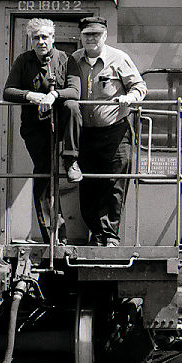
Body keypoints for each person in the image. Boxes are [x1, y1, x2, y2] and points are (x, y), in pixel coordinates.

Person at [3, 18, 82, 243]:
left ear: (53, 38)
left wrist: (54, 95)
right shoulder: (23, 61)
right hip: (35, 129)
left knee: (72, 106)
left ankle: (71, 159)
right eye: (36, 37)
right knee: (44, 174)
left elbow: (75, 91)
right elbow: (8, 91)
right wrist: (31, 95)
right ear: (30, 40)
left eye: (45, 37)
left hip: (64, 130)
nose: (41, 41)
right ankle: (52, 235)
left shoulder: (67, 60)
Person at [72, 16, 147, 247]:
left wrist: (129, 98)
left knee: (113, 185)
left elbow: (139, 86)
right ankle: (96, 235)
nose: (92, 39)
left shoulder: (119, 58)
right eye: (87, 35)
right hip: (86, 134)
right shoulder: (74, 60)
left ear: (104, 36)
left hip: (115, 132)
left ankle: (110, 237)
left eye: (96, 34)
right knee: (88, 186)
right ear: (81, 37)